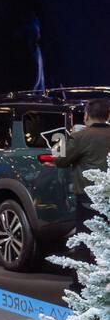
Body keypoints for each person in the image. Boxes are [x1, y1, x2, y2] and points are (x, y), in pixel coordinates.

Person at [44, 97, 110, 276]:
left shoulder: (80, 136)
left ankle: (82, 284)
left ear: (87, 116)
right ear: (108, 115)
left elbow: (60, 158)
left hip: (88, 197)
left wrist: (61, 139)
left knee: (85, 239)